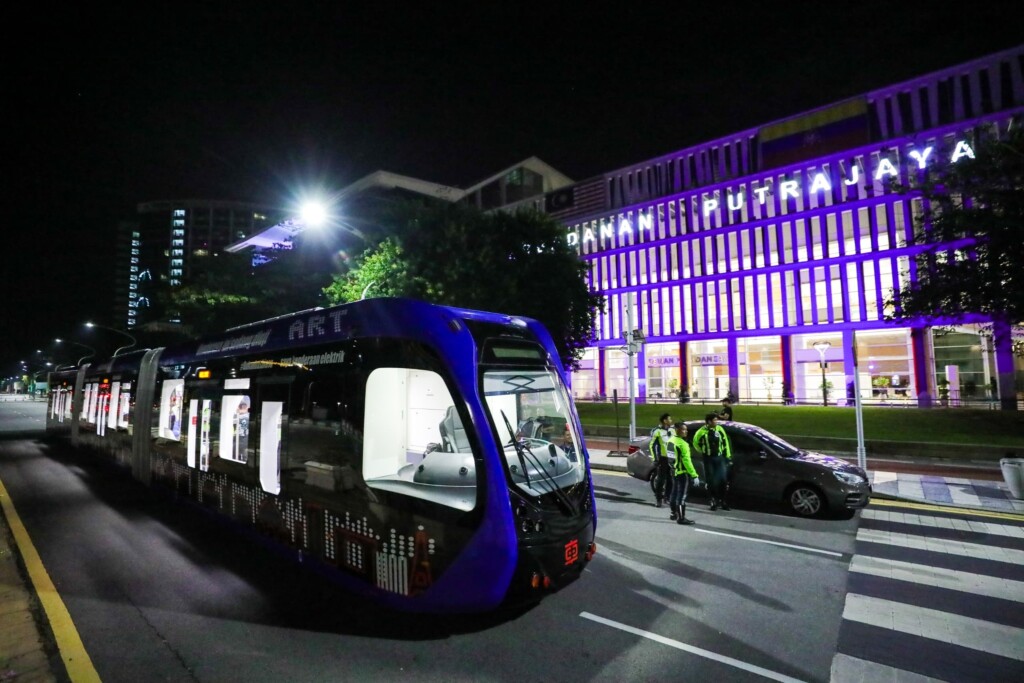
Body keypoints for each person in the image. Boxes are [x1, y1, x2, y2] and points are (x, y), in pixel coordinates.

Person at [692, 412, 732, 511]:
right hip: (708, 459)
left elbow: (725, 442)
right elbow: (695, 443)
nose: (716, 422)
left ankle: (722, 501)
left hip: (719, 458)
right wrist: (704, 451)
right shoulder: (701, 432)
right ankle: (712, 501)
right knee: (710, 481)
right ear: (709, 421)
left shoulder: (719, 429)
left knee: (723, 480)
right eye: (714, 420)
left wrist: (727, 456)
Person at [668, 422, 699, 525]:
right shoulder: (683, 444)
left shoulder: (671, 440)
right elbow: (687, 461)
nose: (686, 431)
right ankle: (681, 518)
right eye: (683, 429)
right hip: (682, 473)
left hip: (674, 471)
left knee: (674, 492)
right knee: (681, 496)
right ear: (677, 430)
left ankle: (673, 513)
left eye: (686, 429)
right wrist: (694, 475)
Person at [648, 412, 674, 508]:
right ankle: (659, 499)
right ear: (665, 421)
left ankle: (667, 497)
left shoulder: (672, 430)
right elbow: (652, 445)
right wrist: (655, 458)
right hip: (662, 459)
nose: (671, 421)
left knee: (670, 479)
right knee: (661, 480)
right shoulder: (657, 431)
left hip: (671, 459)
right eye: (669, 419)